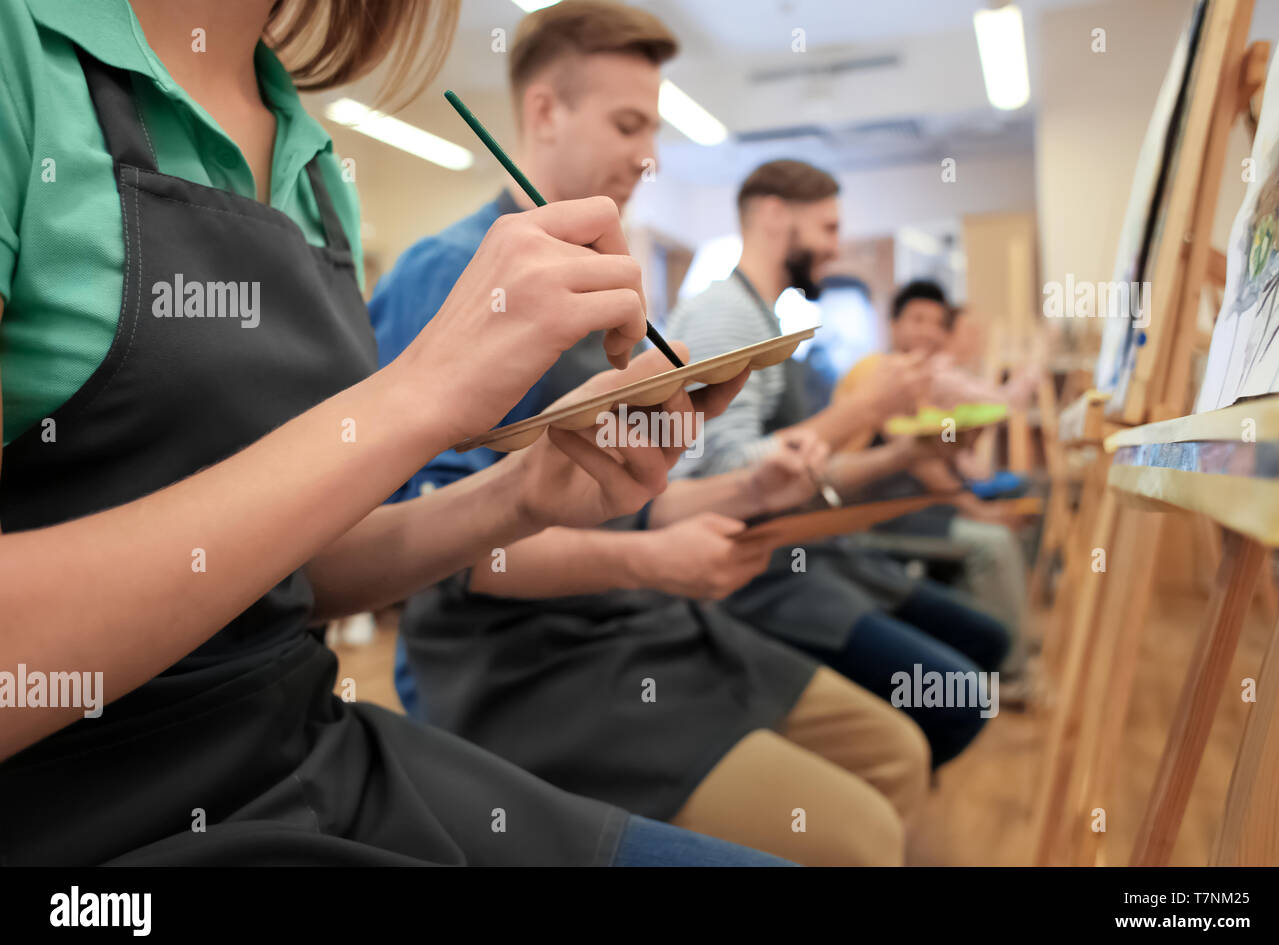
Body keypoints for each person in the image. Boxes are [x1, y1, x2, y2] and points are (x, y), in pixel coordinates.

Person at [0, 0, 796, 867]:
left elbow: (290, 570)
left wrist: (519, 494)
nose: (645, 157)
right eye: (627, 123)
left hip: (305, 753)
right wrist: (416, 397)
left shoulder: (310, 165)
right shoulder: (21, 60)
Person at [370, 0, 930, 866]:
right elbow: (456, 554)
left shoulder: (608, 293)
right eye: (628, 124)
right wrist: (649, 562)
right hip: (525, 668)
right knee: (854, 839)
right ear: (545, 113)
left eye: (653, 129)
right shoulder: (448, 275)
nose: (648, 156)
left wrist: (750, 486)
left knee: (899, 752)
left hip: (643, 623)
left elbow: (627, 501)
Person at [666, 160, 1009, 765]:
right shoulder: (727, 316)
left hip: (809, 558)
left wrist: (905, 452)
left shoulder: (762, 317)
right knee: (960, 697)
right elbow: (722, 475)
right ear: (774, 215)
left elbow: (802, 469)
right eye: (827, 228)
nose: (835, 246)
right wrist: (864, 411)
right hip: (759, 581)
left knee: (978, 655)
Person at [837, 280, 1033, 686]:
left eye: (936, 323)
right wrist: (979, 509)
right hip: (880, 516)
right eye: (916, 319)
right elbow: (918, 461)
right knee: (993, 542)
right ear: (893, 325)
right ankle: (1011, 675)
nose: (927, 331)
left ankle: (999, 647)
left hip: (923, 510)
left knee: (1008, 524)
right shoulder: (879, 374)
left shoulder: (923, 383)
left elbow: (943, 452)